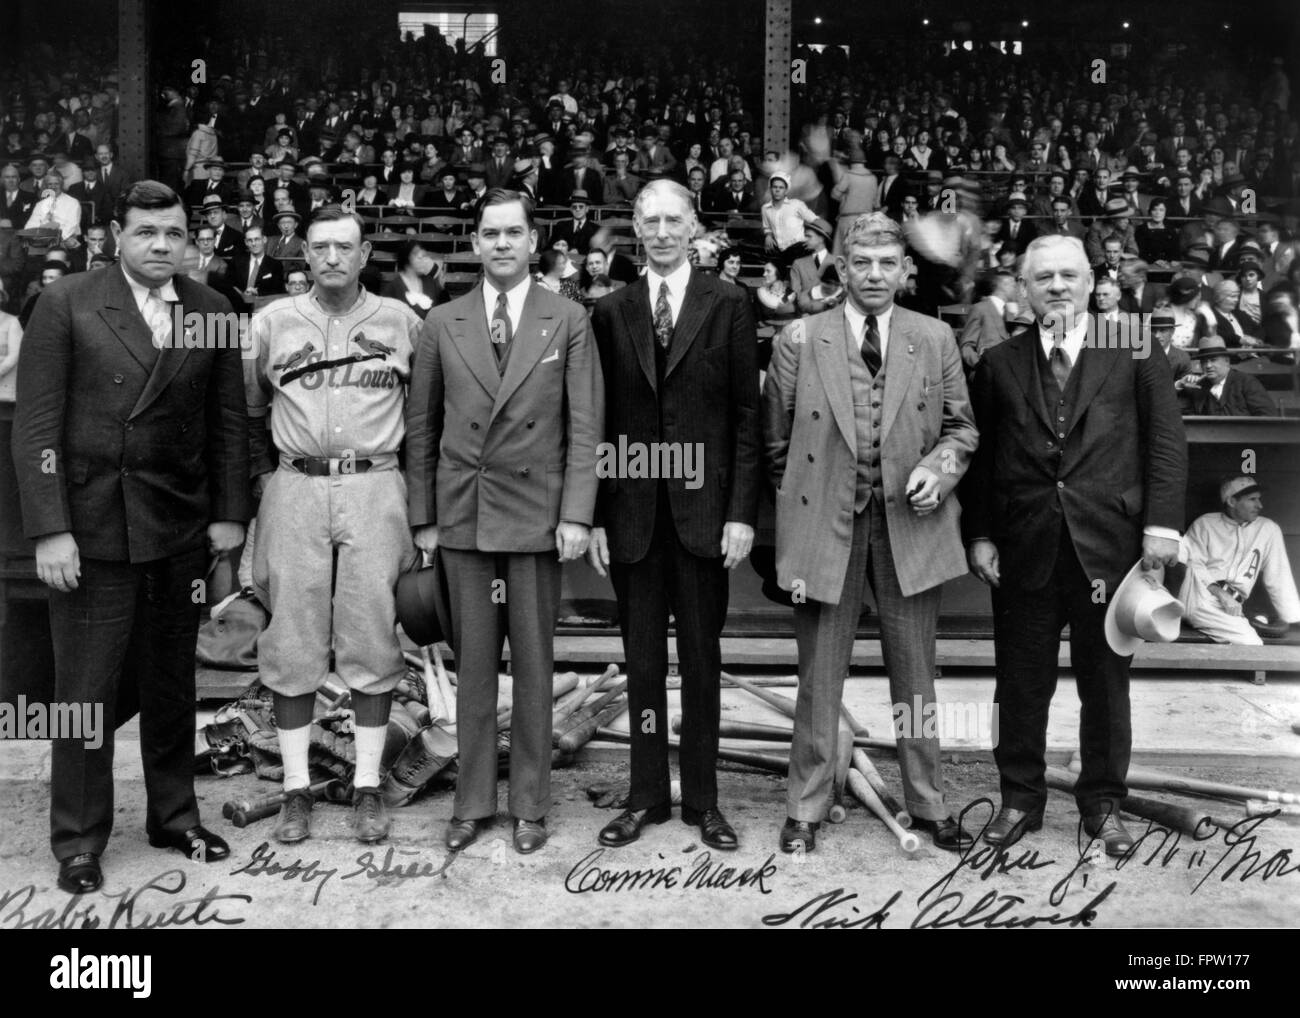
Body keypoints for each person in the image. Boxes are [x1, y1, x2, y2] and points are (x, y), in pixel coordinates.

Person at [12, 180, 251, 894]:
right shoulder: (66, 303)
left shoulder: (212, 310)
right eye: (146, 232)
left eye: (174, 234)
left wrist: (230, 516)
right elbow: (36, 428)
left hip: (177, 527)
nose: (160, 246)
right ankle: (80, 839)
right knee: (86, 689)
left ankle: (175, 817)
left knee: (174, 683)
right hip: (91, 530)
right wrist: (51, 530)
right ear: (118, 235)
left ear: (190, 241)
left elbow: (228, 423)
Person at [963, 234, 1187, 856]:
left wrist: (1162, 529)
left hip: (1114, 550)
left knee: (1106, 684)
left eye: (1068, 275)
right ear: (1023, 288)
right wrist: (979, 533)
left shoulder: (1133, 346)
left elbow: (1166, 444)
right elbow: (982, 462)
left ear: (1091, 282)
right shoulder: (1001, 361)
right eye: (1043, 278)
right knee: (1019, 682)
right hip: (1024, 548)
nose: (1056, 287)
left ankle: (1103, 804)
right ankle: (1018, 801)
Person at [763, 211, 978, 853]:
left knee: (916, 678)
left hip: (911, 528)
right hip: (824, 529)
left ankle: (929, 805)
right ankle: (805, 806)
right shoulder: (800, 339)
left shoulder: (933, 337)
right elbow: (775, 444)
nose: (876, 274)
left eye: (889, 263)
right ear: (842, 269)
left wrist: (938, 472)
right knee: (818, 678)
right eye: (863, 263)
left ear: (905, 271)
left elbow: (962, 430)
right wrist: (817, 491)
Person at [406, 189, 601, 855]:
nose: (501, 244)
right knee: (475, 669)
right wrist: (424, 519)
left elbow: (586, 425)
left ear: (533, 242)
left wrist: (577, 512)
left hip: (537, 519)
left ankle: (531, 805)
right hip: (464, 516)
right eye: (490, 233)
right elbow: (421, 428)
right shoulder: (442, 322)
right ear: (475, 242)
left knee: (536, 667)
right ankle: (472, 803)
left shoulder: (568, 318)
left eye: (513, 233)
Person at [587, 179, 760, 851]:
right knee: (642, 666)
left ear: (693, 227)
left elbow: (747, 417)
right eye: (649, 220)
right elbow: (598, 421)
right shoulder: (611, 311)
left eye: (673, 220)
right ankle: (645, 796)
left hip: (702, 518)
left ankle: (705, 801)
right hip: (632, 515)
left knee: (701, 661)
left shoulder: (730, 304)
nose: (661, 232)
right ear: (635, 226)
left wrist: (741, 513)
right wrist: (598, 515)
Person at [245, 208, 423, 847]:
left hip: (376, 483)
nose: (330, 258)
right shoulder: (271, 323)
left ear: (365, 251)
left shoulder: (402, 323)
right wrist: (265, 484)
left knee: (373, 636)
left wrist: (420, 513)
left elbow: (426, 421)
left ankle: (368, 785)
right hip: (295, 482)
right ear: (304, 255)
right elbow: (243, 413)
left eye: (343, 247)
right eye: (318, 247)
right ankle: (296, 790)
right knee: (291, 639)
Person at [1180, 477, 1300, 645]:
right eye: (1252, 499)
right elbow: (1192, 564)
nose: (1260, 505)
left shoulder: (1267, 529)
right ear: (1231, 501)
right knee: (1250, 643)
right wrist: (1220, 593)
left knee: (1250, 640)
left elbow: (1279, 573)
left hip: (1231, 604)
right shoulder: (1205, 523)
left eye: (1259, 499)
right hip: (1200, 595)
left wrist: (1293, 616)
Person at [1179, 335, 1275, 416]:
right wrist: (1180, 384)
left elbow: (1267, 415)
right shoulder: (1199, 387)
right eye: (1204, 362)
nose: (1208, 366)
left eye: (1213, 360)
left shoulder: (1247, 383)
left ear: (1227, 361)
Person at [959, 270, 1016, 370]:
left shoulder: (1010, 312)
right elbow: (966, 346)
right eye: (1013, 286)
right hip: (987, 373)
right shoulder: (980, 308)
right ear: (1004, 285)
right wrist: (980, 365)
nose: (1016, 290)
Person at [381, 238, 446, 318]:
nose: (424, 261)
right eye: (419, 257)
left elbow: (442, 311)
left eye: (424, 256)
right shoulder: (393, 287)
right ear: (407, 259)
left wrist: (442, 288)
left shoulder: (430, 283)